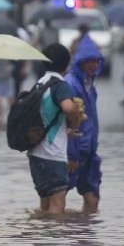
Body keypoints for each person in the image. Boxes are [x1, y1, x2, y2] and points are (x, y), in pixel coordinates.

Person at [26, 44, 83, 213]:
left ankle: (42, 237)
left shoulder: (38, 84)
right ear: (66, 64)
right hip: (53, 154)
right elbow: (69, 108)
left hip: (35, 154)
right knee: (58, 205)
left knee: (44, 205)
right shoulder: (60, 85)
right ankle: (53, 240)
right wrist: (75, 121)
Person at [65, 35, 103, 214]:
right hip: (74, 152)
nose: (94, 65)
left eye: (97, 61)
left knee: (93, 199)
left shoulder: (90, 85)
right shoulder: (71, 84)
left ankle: (83, 235)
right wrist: (71, 154)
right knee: (56, 199)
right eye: (90, 61)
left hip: (89, 153)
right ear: (80, 62)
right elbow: (70, 123)